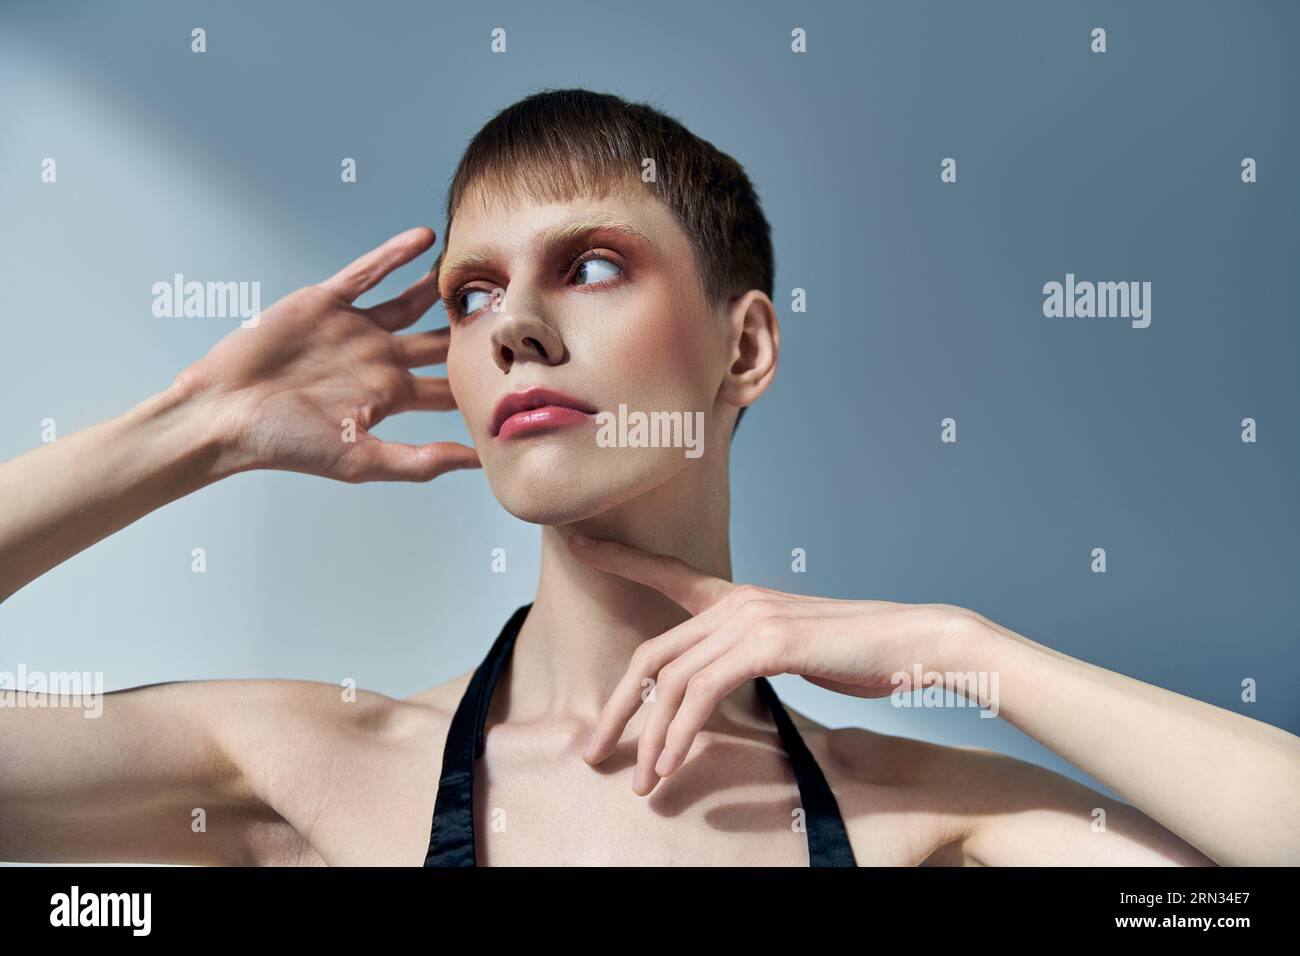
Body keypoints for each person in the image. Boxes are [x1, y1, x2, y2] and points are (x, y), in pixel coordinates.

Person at [1, 89, 1294, 866]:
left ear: (747, 345)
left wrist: (957, 650)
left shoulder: (908, 816)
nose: (511, 327)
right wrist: (195, 427)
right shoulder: (307, 771)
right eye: (471, 293)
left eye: (594, 266)